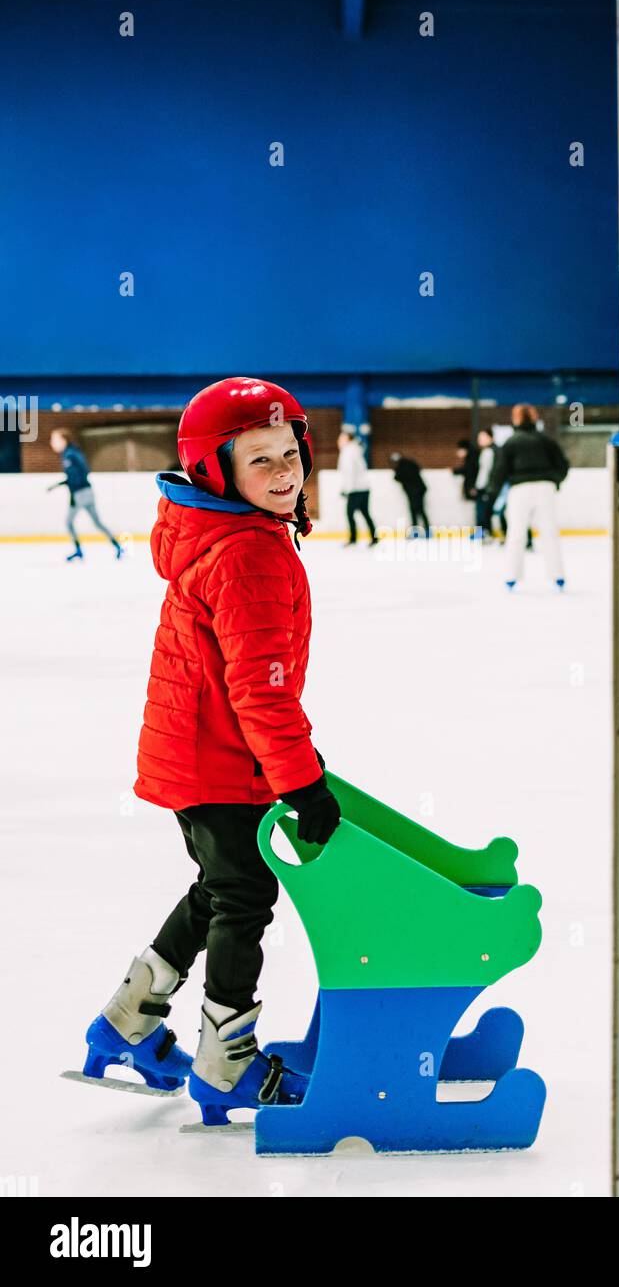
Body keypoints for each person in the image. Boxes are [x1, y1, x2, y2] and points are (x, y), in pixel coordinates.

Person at [75, 377, 342, 1127]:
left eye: (290, 452)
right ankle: (225, 1063)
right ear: (216, 474)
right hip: (221, 762)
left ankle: (126, 1022)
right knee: (245, 898)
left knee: (217, 887)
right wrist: (303, 783)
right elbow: (262, 692)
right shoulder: (247, 554)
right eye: (260, 461)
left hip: (198, 756)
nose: (284, 471)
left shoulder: (225, 534)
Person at [486, 403, 569, 591]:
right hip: (545, 488)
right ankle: (558, 575)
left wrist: (493, 491)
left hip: (520, 489)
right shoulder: (545, 440)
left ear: (515, 419)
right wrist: (554, 480)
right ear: (534, 418)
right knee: (549, 531)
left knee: (516, 532)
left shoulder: (511, 442)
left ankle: (511, 576)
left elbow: (500, 470)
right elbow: (563, 464)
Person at [48, 428, 124, 562]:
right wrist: (62, 484)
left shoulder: (71, 454)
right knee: (97, 522)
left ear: (63, 440)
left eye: (55, 439)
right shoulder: (68, 453)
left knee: (69, 522)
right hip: (86, 492)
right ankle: (117, 546)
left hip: (81, 493)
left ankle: (78, 550)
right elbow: (74, 475)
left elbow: (83, 471)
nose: (52, 443)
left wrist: (73, 490)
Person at [337, 430, 378, 547]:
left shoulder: (348, 452)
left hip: (356, 489)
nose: (339, 440)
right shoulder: (355, 450)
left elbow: (350, 472)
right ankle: (375, 538)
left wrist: (347, 490)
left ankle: (353, 539)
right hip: (363, 487)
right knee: (365, 513)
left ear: (347, 439)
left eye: (341, 438)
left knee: (350, 514)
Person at [390, 451, 430, 536]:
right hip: (418, 490)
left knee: (416, 510)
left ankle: (419, 531)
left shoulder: (401, 467)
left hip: (415, 491)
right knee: (419, 510)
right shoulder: (409, 463)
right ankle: (424, 530)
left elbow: (397, 477)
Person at [473, 428, 498, 538]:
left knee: (482, 512)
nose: (479, 440)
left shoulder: (488, 451)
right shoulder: (493, 450)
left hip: (486, 488)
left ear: (490, 437)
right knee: (486, 512)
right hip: (491, 487)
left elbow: (485, 471)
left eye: (482, 437)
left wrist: (479, 487)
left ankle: (483, 534)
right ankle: (485, 533)